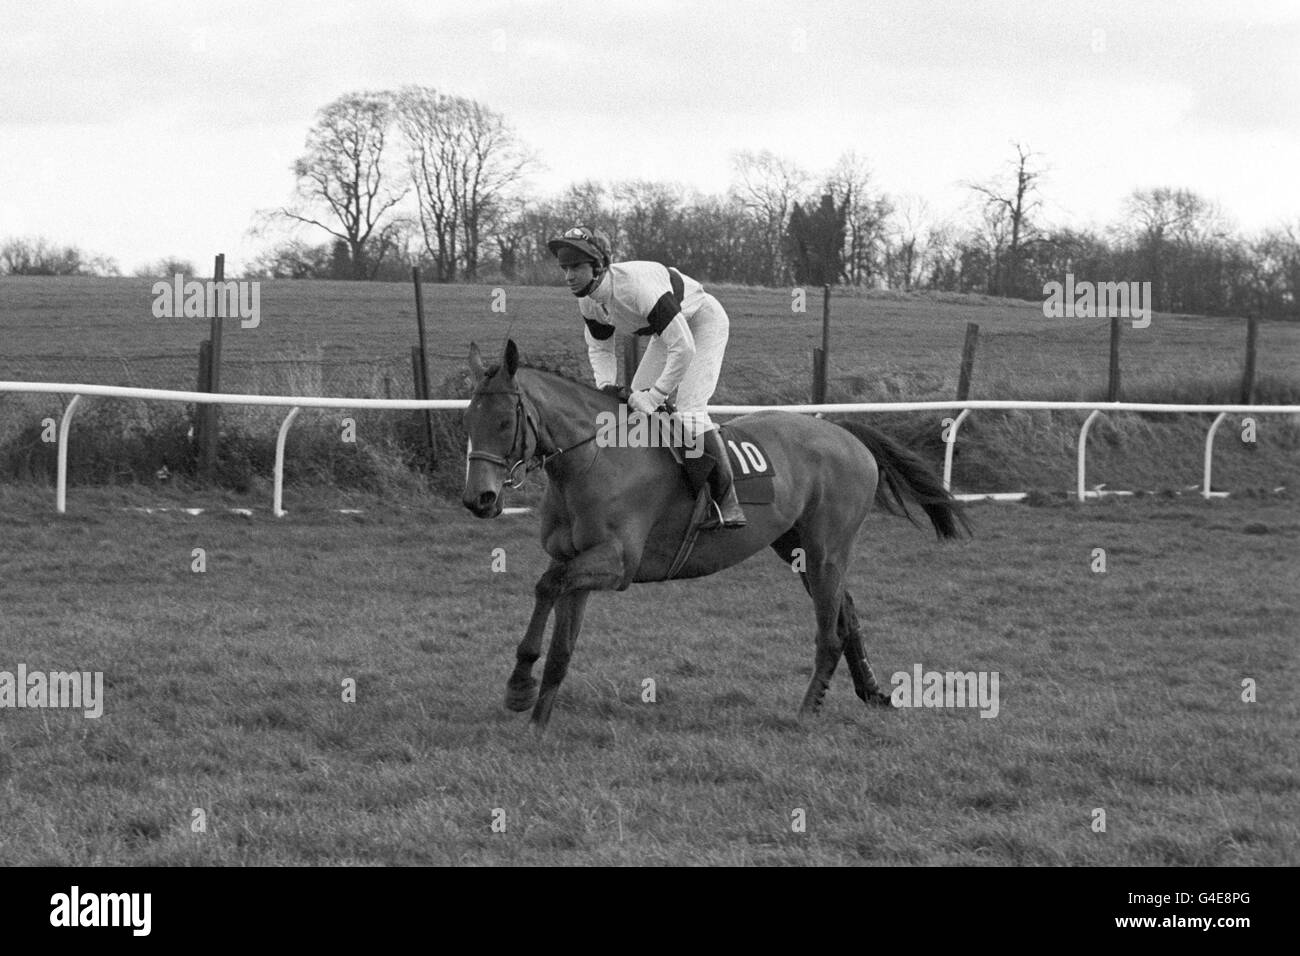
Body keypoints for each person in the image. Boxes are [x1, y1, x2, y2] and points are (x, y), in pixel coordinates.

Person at [546, 225, 746, 528]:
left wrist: (655, 397)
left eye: (575, 266)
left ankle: (727, 502)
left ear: (597, 266)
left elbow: (684, 349)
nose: (568, 275)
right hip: (669, 333)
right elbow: (600, 349)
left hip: (702, 322)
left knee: (690, 411)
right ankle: (664, 485)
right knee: (633, 408)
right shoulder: (587, 300)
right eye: (564, 268)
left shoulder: (636, 288)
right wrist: (606, 387)